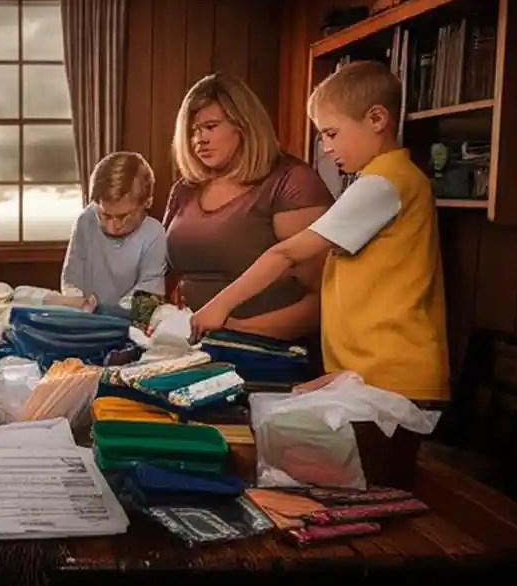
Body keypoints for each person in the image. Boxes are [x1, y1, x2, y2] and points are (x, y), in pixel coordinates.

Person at [190, 60, 450, 403]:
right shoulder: (388, 180)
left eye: (332, 134)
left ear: (376, 120)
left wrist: (218, 306)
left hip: (394, 378)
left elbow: (284, 253)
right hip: (369, 373)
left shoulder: (384, 184)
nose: (326, 148)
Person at [164, 72, 334, 342]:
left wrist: (236, 330)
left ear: (243, 125)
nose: (199, 140)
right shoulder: (184, 190)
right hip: (188, 347)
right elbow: (172, 280)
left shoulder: (291, 182)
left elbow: (323, 297)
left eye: (210, 127)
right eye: (193, 131)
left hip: (265, 350)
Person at [59, 151, 167, 315]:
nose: (113, 226)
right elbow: (72, 279)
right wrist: (79, 305)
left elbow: (148, 293)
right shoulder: (86, 220)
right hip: (84, 319)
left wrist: (111, 315)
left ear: (146, 202)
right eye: (105, 215)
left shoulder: (154, 233)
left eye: (123, 216)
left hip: (128, 325)